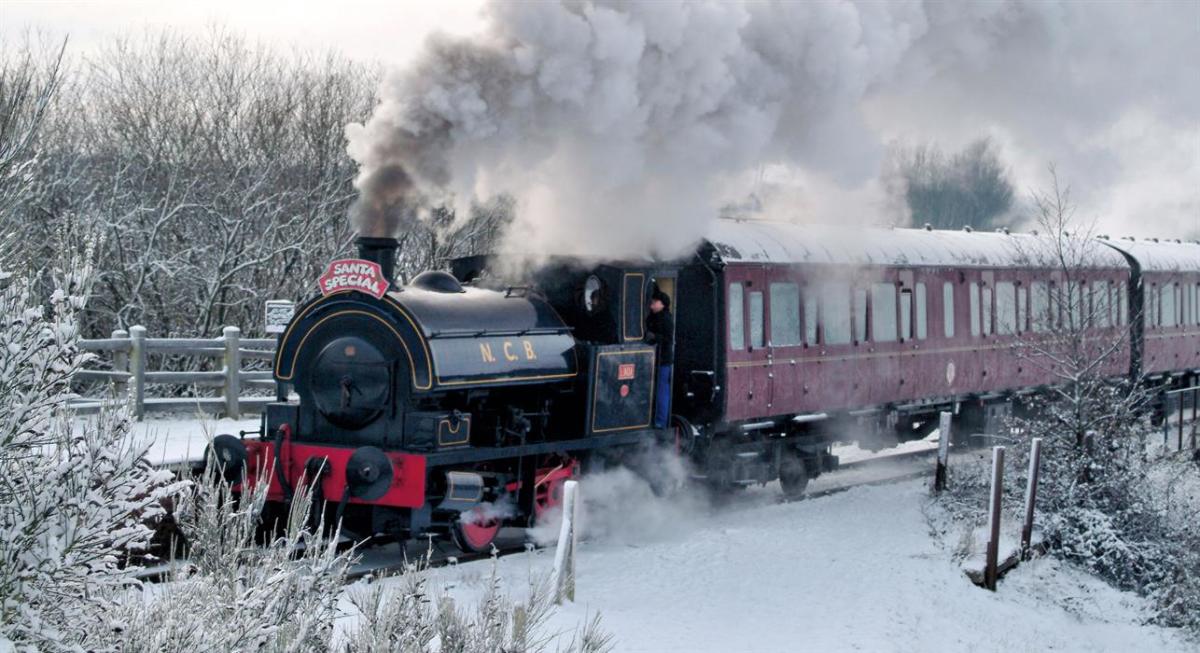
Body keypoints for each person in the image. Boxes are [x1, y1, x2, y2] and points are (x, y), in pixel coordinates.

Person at [645, 289, 675, 429]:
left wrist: (654, 337)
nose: (652, 305)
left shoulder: (666, 319)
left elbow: (668, 339)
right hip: (652, 359)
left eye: (654, 302)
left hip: (663, 360)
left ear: (662, 304)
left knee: (662, 390)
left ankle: (661, 421)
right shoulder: (652, 317)